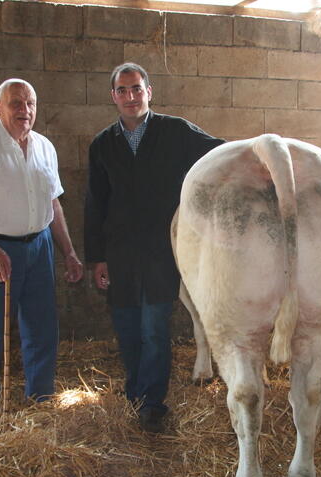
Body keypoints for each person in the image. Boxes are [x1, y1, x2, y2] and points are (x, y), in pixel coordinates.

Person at [84, 62, 223, 433]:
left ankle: (153, 403)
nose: (130, 97)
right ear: (113, 96)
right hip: (120, 255)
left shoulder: (175, 132)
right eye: (122, 91)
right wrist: (96, 258)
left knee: (154, 329)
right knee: (128, 329)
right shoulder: (102, 144)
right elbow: (95, 204)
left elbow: (217, 152)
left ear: (149, 91)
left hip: (163, 251)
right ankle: (135, 394)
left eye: (137, 89)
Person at [0, 78, 83, 414]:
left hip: (39, 248)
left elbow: (53, 206)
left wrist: (68, 252)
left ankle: (40, 402)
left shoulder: (44, 147)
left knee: (41, 328)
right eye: (16, 103)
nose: (25, 110)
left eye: (30, 103)